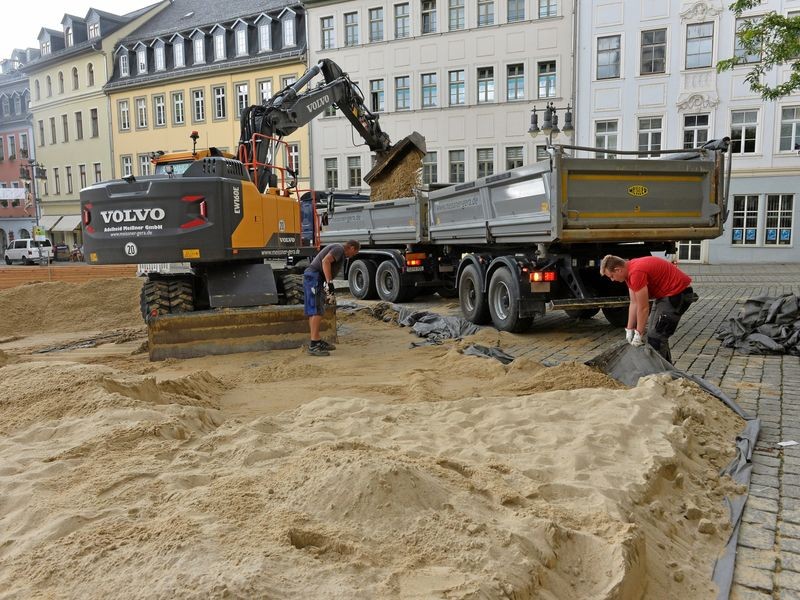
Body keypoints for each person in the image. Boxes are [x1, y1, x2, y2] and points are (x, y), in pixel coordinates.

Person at [600, 254, 696, 364]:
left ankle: (663, 375)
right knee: (654, 335)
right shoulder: (629, 271)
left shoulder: (636, 273)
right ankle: (664, 369)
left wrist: (639, 334)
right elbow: (634, 303)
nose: (612, 280)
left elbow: (643, 308)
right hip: (665, 295)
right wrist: (629, 329)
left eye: (611, 276)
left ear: (618, 270)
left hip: (679, 294)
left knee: (657, 337)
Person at [303, 240, 360, 356]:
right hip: (315, 277)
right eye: (355, 252)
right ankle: (314, 344)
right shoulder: (339, 249)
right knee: (316, 310)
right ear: (352, 248)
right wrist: (329, 282)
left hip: (314, 277)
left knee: (315, 309)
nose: (353, 255)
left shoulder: (339, 250)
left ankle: (316, 340)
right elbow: (325, 261)